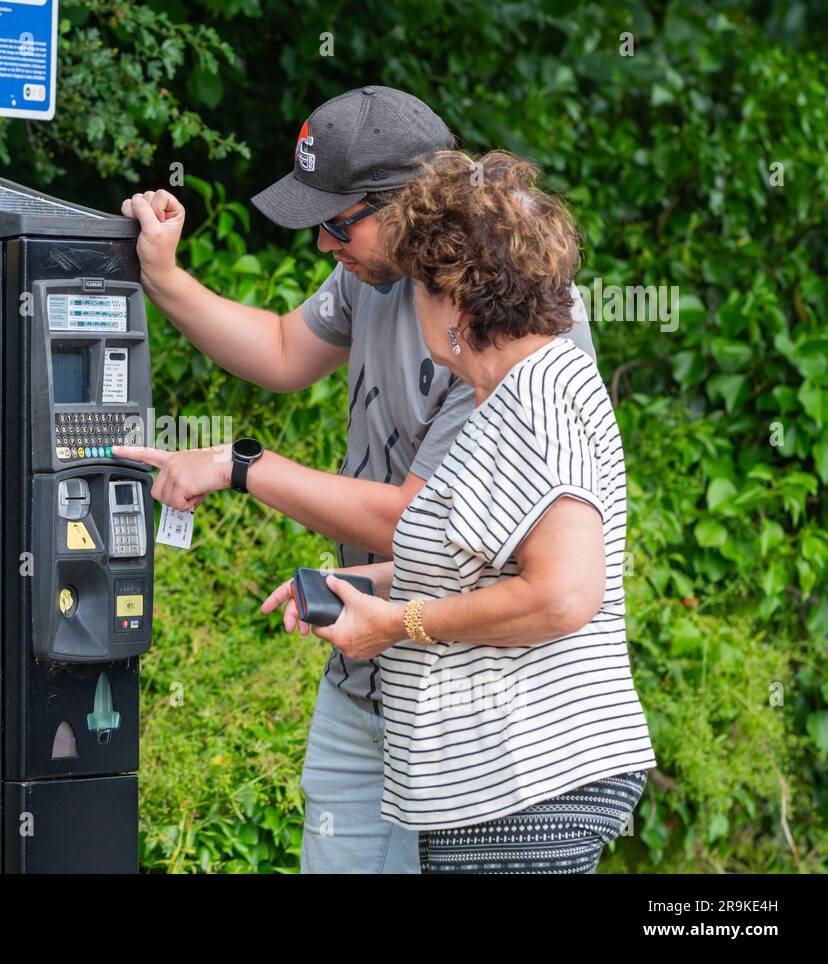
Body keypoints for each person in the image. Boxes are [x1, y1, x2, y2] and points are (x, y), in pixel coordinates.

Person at [113, 86, 595, 873]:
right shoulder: (372, 276)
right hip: (362, 668)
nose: (322, 245)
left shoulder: (509, 326)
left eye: (337, 223)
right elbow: (278, 350)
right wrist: (164, 278)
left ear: (413, 205)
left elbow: (426, 520)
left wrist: (244, 467)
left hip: (463, 694)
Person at [263, 149, 657, 874]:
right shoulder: (507, 396)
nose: (408, 305)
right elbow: (483, 569)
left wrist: (400, 623)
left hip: (529, 782)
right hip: (498, 787)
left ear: (458, 295)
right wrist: (367, 589)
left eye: (416, 284)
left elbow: (564, 594)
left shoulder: (540, 396)